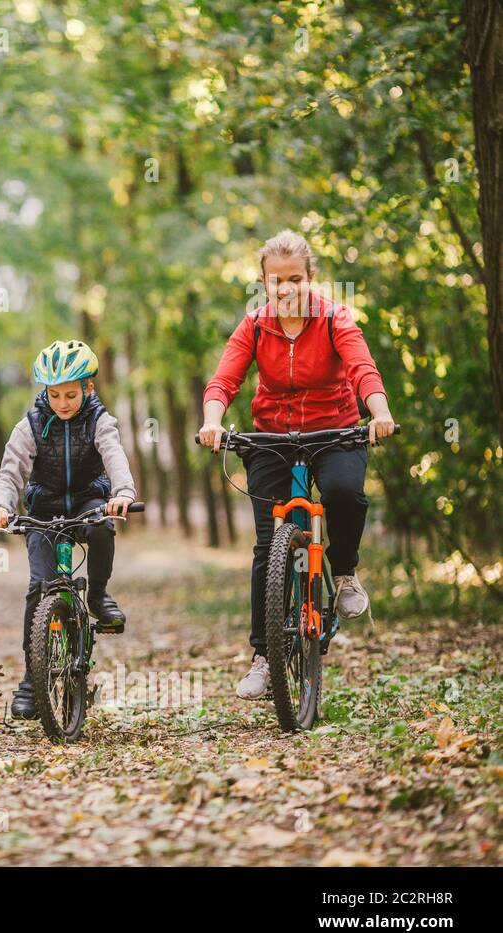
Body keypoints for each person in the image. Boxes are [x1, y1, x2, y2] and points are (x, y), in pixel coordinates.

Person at [198, 229, 397, 700]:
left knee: (345, 493)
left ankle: (344, 572)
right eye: (275, 280)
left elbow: (361, 368)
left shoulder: (334, 319)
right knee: (269, 546)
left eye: (294, 279)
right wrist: (212, 422)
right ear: (264, 282)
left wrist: (380, 411)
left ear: (310, 279)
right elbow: (224, 380)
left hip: (335, 430)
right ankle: (264, 658)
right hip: (272, 436)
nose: (285, 288)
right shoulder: (255, 326)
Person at [0, 339, 136, 720]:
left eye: (71, 394)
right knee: (39, 591)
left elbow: (114, 456)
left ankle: (99, 596)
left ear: (89, 388)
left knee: (102, 527)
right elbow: (10, 471)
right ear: (45, 392)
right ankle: (32, 682)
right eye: (55, 395)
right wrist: (1, 505)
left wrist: (122, 492)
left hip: (89, 500)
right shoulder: (31, 425)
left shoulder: (100, 421)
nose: (63, 403)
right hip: (46, 508)